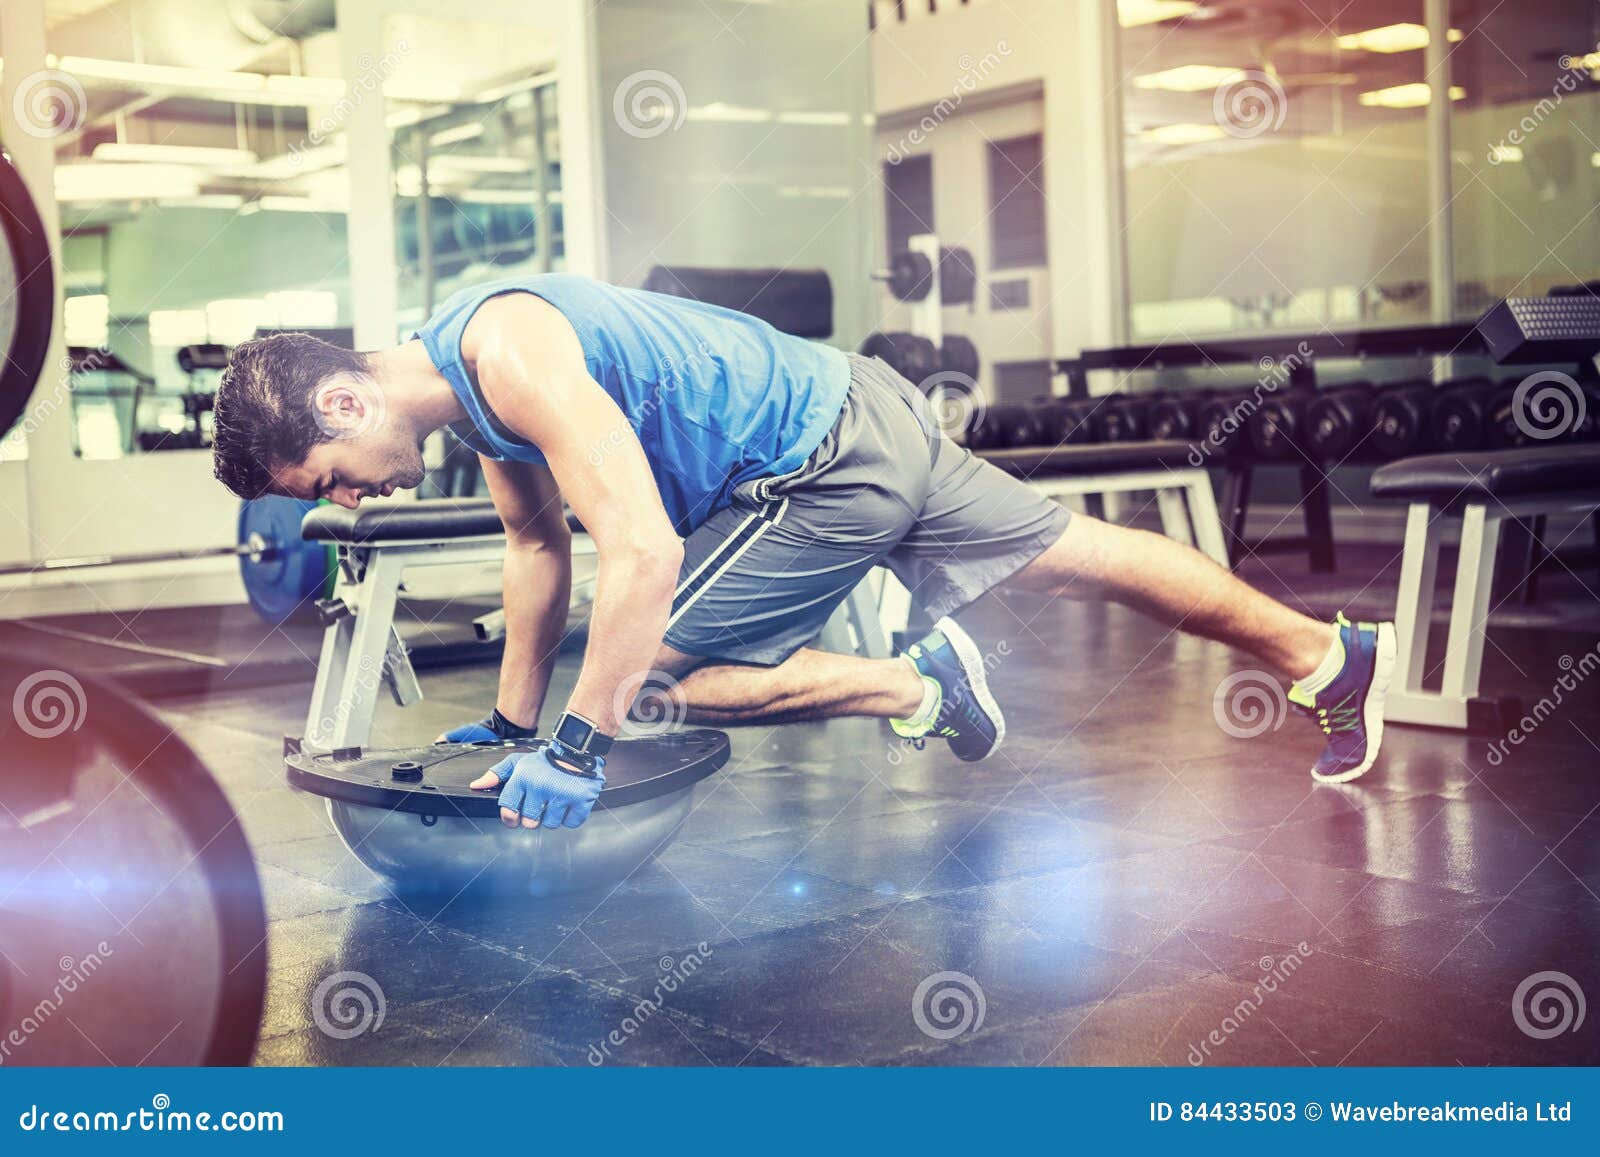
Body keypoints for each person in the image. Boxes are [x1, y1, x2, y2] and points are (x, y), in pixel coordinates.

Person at [212, 274, 1395, 832]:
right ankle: (1325, 653)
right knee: (1076, 552)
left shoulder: (506, 351)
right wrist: (513, 725)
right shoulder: (465, 389)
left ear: (345, 409)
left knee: (641, 683)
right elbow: (533, 542)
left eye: (325, 486)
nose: (348, 509)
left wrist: (575, 742)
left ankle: (913, 683)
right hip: (858, 409)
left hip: (815, 466)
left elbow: (642, 552)